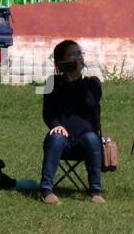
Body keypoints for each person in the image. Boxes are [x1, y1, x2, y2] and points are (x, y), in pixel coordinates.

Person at [40, 40, 104, 204]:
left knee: (91, 138)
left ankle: (96, 191)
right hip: (63, 140)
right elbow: (48, 112)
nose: (78, 57)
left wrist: (76, 79)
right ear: (62, 60)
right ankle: (47, 190)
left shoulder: (92, 83)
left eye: (79, 53)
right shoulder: (51, 82)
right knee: (55, 138)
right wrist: (56, 126)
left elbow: (89, 103)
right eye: (72, 54)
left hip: (86, 140)